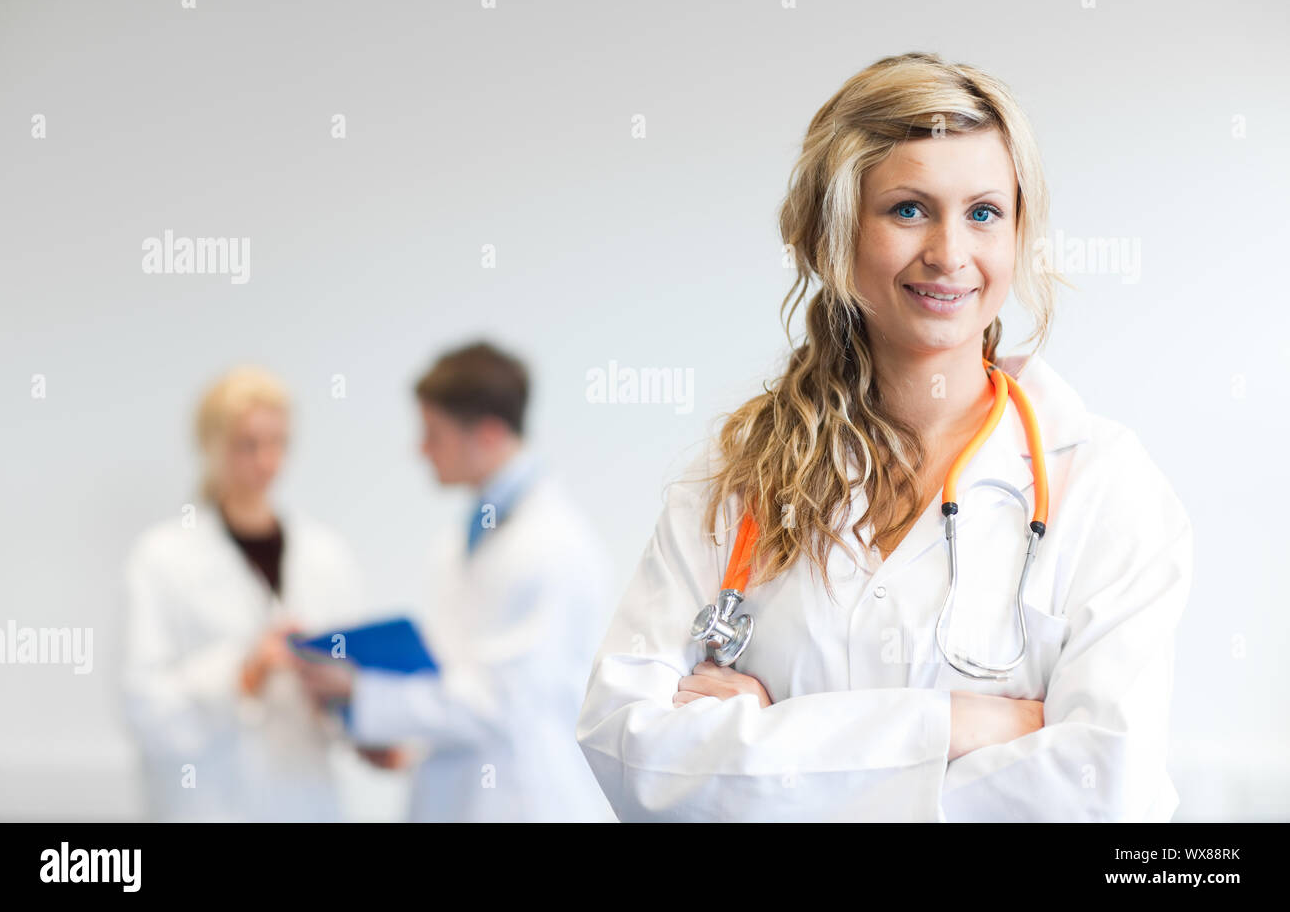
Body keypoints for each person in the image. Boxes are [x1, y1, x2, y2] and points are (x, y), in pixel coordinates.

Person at [576, 51, 1194, 822]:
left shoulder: (1103, 482)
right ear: (832, 235)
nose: (949, 252)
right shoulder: (736, 479)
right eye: (908, 209)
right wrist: (955, 725)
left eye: (984, 212)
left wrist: (769, 744)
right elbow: (630, 752)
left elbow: (1108, 789)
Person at [296, 341, 617, 822]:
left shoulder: (553, 545)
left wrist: (362, 694)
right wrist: (405, 744)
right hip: (464, 793)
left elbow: (502, 704)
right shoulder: (468, 536)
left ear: (486, 433)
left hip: (523, 800)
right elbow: (459, 676)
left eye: (433, 434)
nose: (420, 450)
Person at [121, 366, 368, 821]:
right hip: (210, 803)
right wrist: (245, 671)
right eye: (247, 445)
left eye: (278, 443)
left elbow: (357, 691)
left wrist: (338, 691)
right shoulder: (161, 558)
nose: (266, 461)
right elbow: (144, 707)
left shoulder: (326, 554)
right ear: (211, 447)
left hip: (304, 799)